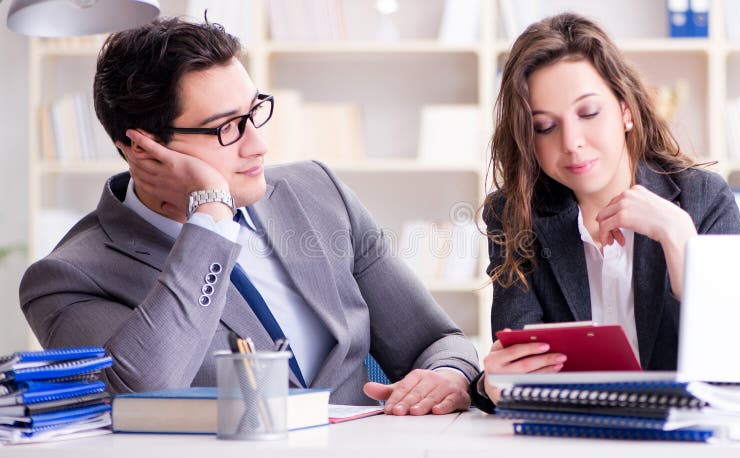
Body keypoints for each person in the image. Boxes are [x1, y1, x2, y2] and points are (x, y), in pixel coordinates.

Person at [19, 17, 479, 416]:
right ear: (142, 149)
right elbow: (139, 395)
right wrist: (210, 219)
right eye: (225, 128)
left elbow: (436, 340)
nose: (257, 143)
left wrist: (447, 375)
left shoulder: (319, 192)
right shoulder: (67, 278)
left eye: (254, 112)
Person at [469, 13, 740, 413]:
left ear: (626, 110)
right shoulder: (514, 215)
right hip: (571, 438)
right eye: (545, 126)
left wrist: (682, 243)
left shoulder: (702, 200)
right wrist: (494, 384)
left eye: (589, 113)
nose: (572, 143)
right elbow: (517, 366)